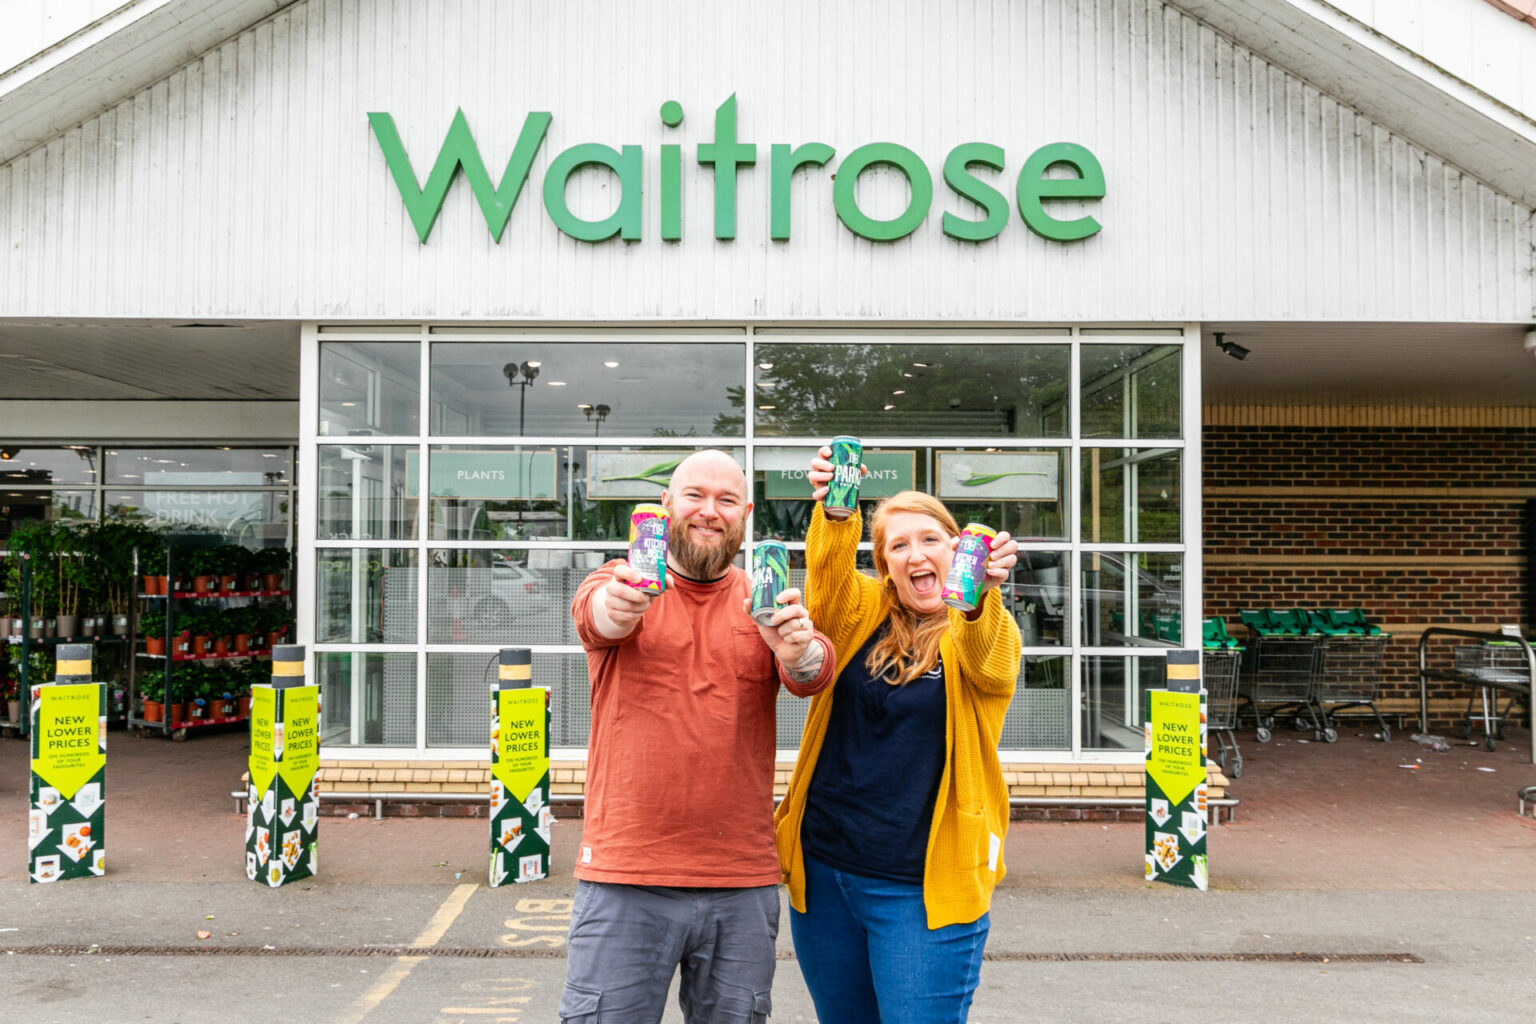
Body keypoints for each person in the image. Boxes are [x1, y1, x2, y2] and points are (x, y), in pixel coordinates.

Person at [560, 448, 836, 1024]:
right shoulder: (619, 579)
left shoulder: (767, 603)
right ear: (666, 505)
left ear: (745, 514)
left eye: (726, 500)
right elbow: (600, 616)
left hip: (740, 881)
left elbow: (813, 672)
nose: (709, 512)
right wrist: (622, 603)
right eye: (694, 496)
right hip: (625, 877)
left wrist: (798, 648)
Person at [774, 447, 1023, 1024]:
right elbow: (829, 579)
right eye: (898, 545)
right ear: (885, 564)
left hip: (921, 891)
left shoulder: (978, 628)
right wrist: (836, 513)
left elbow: (993, 661)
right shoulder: (860, 611)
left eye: (930, 539)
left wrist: (981, 593)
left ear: (958, 549)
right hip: (826, 876)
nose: (916, 554)